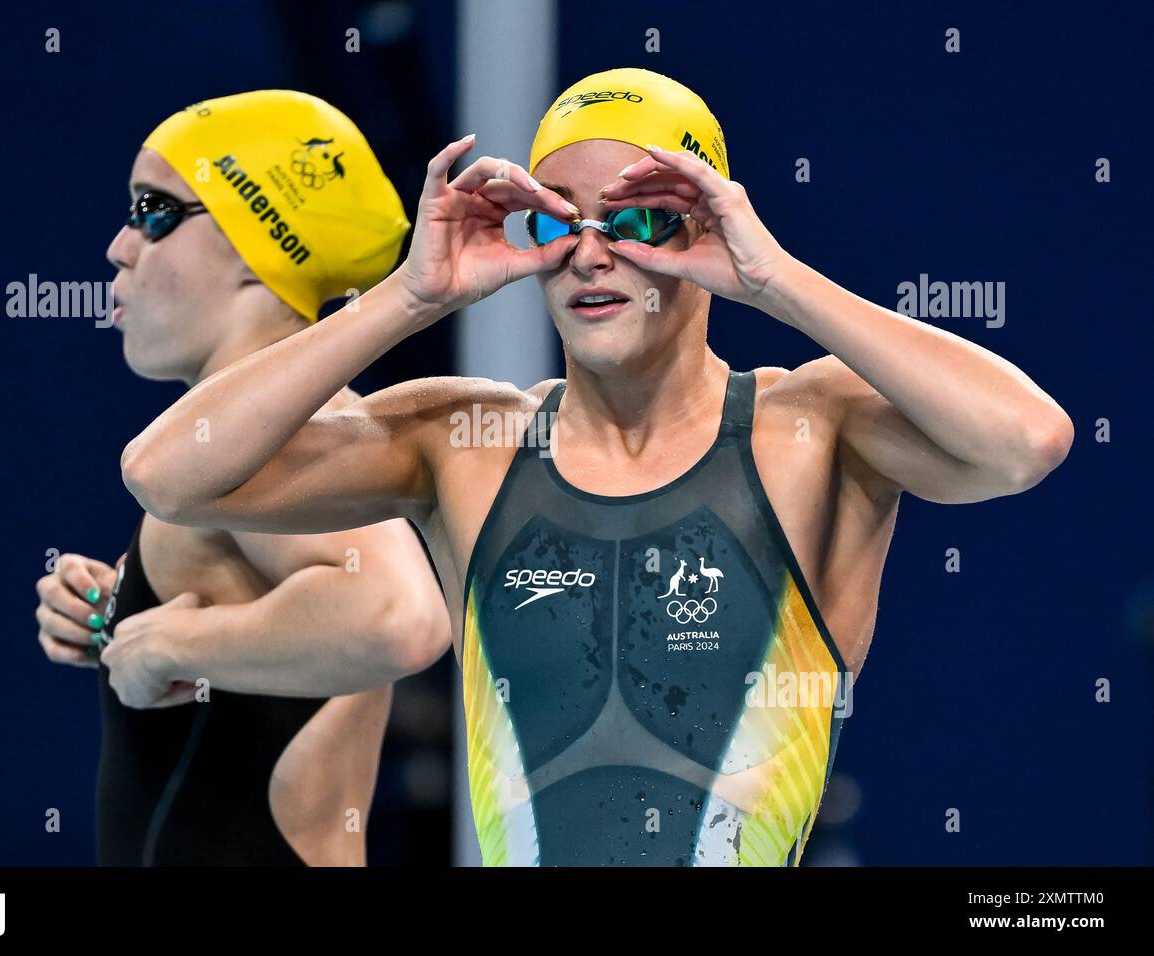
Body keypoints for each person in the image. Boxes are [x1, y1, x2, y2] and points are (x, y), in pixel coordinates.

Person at [119, 69, 1074, 866]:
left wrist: (776, 279)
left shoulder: (811, 429)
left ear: (709, 225)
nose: (589, 253)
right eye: (553, 222)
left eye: (639, 220)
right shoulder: (465, 444)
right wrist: (410, 296)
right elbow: (168, 473)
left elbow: (1025, 440)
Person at [33, 90, 450, 866]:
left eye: (152, 211)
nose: (120, 247)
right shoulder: (244, 451)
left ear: (261, 247)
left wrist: (173, 642)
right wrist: (124, 618)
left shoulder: (288, 436)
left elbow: (400, 616)